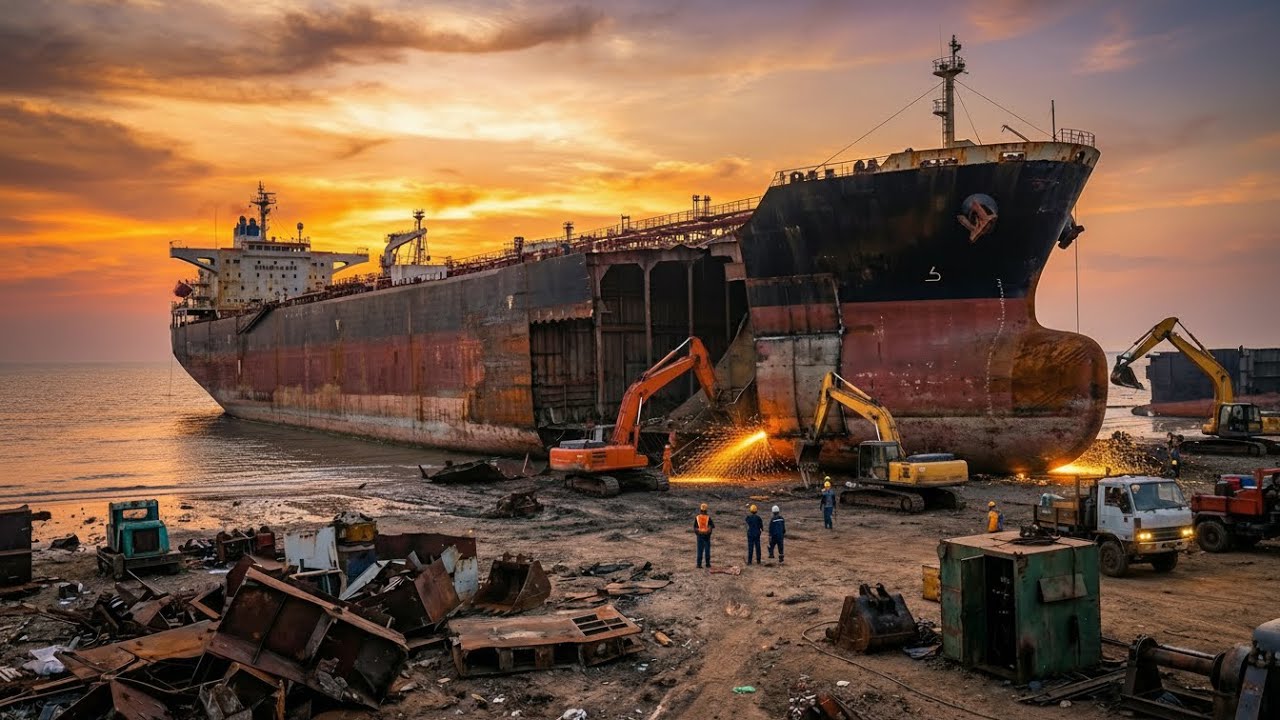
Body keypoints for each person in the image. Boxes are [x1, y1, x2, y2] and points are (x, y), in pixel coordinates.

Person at [694, 503, 715, 568]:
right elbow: (711, 527)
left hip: (700, 536)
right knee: (707, 550)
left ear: (700, 510)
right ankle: (707, 564)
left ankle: (699, 564)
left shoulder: (697, 518)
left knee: (700, 550)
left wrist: (698, 532)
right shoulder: (708, 518)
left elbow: (695, 528)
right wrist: (708, 531)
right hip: (706, 536)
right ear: (706, 510)